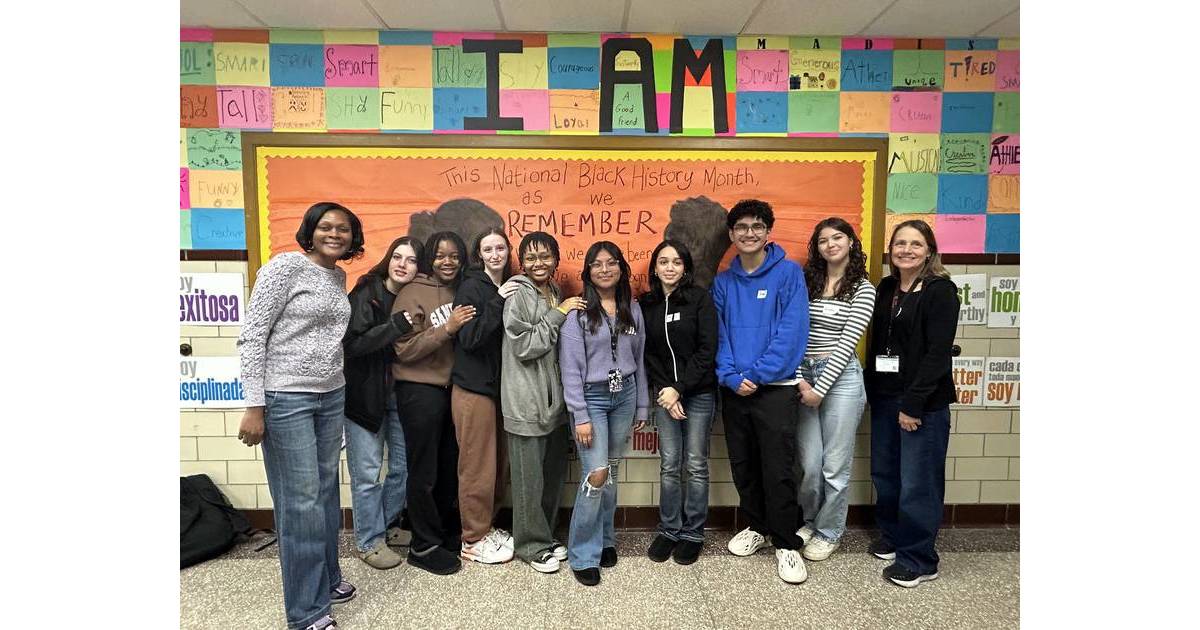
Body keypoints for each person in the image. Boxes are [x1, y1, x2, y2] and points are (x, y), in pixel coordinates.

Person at [236, 201, 364, 630]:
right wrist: (255, 405)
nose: (335, 234)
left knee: (326, 493)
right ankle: (307, 613)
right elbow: (252, 336)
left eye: (343, 229)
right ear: (310, 230)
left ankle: (327, 580)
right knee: (301, 504)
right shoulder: (283, 268)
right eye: (326, 227)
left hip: (331, 395)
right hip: (285, 397)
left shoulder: (337, 275)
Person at [711, 199, 810, 585]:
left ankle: (786, 543)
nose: (749, 233)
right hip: (735, 389)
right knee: (744, 464)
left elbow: (792, 333)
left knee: (778, 467)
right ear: (731, 234)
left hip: (776, 388)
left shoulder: (788, 274)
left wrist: (758, 374)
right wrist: (732, 376)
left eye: (757, 226)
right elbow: (718, 335)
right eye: (741, 227)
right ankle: (755, 526)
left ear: (768, 231)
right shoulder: (723, 282)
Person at [864, 219, 958, 588]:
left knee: (918, 482)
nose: (906, 250)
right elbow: (879, 344)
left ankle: (920, 559)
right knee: (886, 473)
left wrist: (913, 405)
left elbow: (937, 355)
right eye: (899, 243)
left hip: (922, 402)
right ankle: (894, 537)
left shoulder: (940, 291)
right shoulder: (887, 287)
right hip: (886, 395)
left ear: (930, 251)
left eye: (915, 244)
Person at [559, 241, 649, 587]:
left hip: (624, 394)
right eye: (597, 265)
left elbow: (638, 360)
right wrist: (579, 414)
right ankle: (583, 553)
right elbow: (569, 368)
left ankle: (606, 540)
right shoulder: (577, 312)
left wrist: (641, 403)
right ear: (588, 272)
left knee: (610, 471)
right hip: (591, 399)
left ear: (621, 269)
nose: (605, 269)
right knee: (595, 474)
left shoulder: (632, 308)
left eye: (611, 263)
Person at [390, 231, 477, 575]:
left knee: (447, 465)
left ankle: (439, 532)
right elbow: (403, 349)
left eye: (454, 255)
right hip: (418, 390)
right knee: (423, 469)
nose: (447, 261)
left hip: (452, 391)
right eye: (440, 255)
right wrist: (448, 328)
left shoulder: (465, 290)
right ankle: (421, 545)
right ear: (430, 259)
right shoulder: (413, 291)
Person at [501, 232, 585, 574]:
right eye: (531, 257)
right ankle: (530, 546)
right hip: (525, 402)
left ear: (556, 258)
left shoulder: (553, 291)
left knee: (550, 476)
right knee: (528, 480)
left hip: (554, 403)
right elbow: (523, 346)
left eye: (546, 256)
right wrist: (558, 314)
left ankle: (546, 537)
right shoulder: (517, 294)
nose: (539, 263)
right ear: (522, 262)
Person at [793, 218, 876, 562]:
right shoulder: (807, 282)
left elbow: (847, 344)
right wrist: (800, 379)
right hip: (805, 375)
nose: (830, 244)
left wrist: (820, 389)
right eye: (823, 240)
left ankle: (830, 532)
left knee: (834, 467)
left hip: (840, 379)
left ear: (851, 243)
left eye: (837, 237)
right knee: (810, 464)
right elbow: (794, 332)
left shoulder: (863, 288)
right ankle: (810, 522)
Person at [342, 236, 422, 570]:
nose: (403, 264)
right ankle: (368, 541)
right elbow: (352, 345)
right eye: (398, 257)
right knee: (367, 473)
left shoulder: (414, 297)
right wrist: (394, 326)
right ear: (388, 260)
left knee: (402, 468)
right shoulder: (367, 293)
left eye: (412, 259)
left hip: (398, 395)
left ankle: (387, 527)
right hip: (364, 397)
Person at [639, 240, 718, 565]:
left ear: (685, 267)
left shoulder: (699, 299)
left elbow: (707, 349)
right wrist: (667, 391)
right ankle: (670, 529)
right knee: (670, 464)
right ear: (655, 268)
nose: (669, 268)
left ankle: (693, 533)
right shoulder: (647, 304)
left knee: (696, 463)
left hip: (698, 393)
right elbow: (649, 353)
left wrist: (680, 389)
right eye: (663, 262)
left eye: (676, 262)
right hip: (664, 395)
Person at [451, 228, 522, 564]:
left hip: (496, 389)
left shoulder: (505, 284)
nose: (495, 254)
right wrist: (498, 300)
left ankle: (486, 526)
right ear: (479, 255)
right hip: (472, 389)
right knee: (476, 466)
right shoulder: (473, 286)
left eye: (500, 248)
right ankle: (472, 539)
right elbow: (470, 338)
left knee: (496, 466)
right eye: (488, 249)